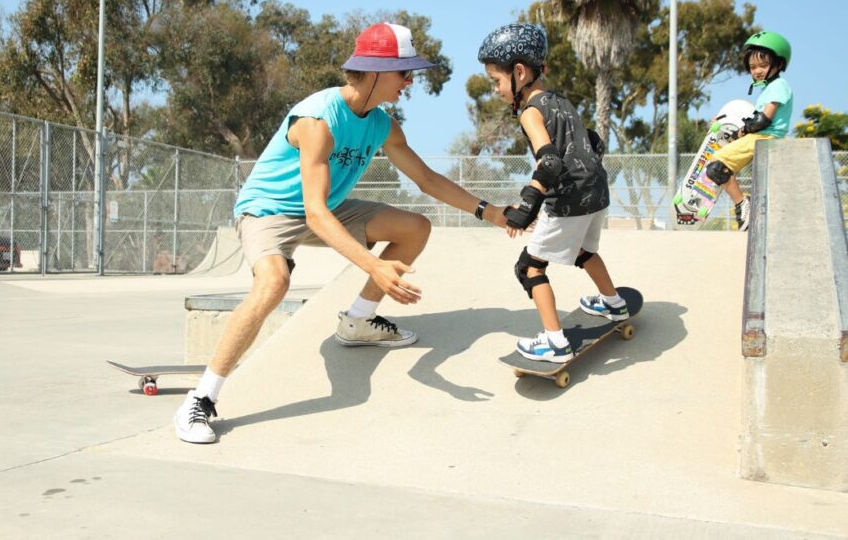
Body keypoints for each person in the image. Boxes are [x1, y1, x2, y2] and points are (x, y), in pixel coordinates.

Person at [175, 22, 509, 443]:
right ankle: (200, 399)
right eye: (404, 72)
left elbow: (425, 178)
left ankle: (357, 321)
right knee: (274, 283)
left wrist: (488, 210)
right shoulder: (319, 119)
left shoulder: (382, 124)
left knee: (415, 228)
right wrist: (375, 265)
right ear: (373, 72)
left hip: (326, 208)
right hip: (270, 212)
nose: (409, 81)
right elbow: (313, 214)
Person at [477, 23, 627, 363]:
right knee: (583, 251)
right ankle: (614, 304)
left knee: (529, 267)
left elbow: (549, 162)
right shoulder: (561, 102)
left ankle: (555, 341)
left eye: (496, 81)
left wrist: (528, 207)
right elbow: (593, 144)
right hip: (597, 192)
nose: (496, 90)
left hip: (569, 201)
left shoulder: (531, 112)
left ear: (519, 72)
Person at [704, 31, 794, 231]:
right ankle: (744, 204)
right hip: (760, 136)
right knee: (718, 167)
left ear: (779, 64)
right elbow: (751, 117)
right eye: (753, 67)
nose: (757, 71)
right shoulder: (769, 88)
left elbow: (762, 119)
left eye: (762, 65)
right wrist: (724, 119)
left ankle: (743, 204)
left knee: (717, 166)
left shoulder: (779, 85)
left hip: (766, 136)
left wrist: (742, 131)